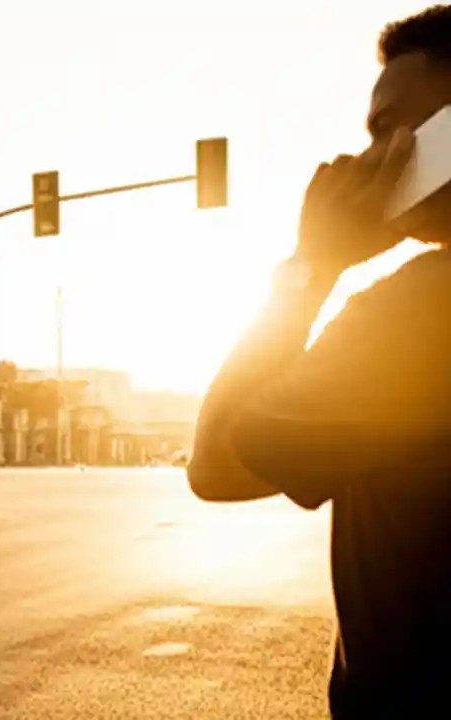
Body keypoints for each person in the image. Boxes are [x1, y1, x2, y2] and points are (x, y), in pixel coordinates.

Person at [188, 5, 451, 718]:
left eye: (387, 129)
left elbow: (216, 465)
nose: (364, 159)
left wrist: (313, 264)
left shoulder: (418, 316)